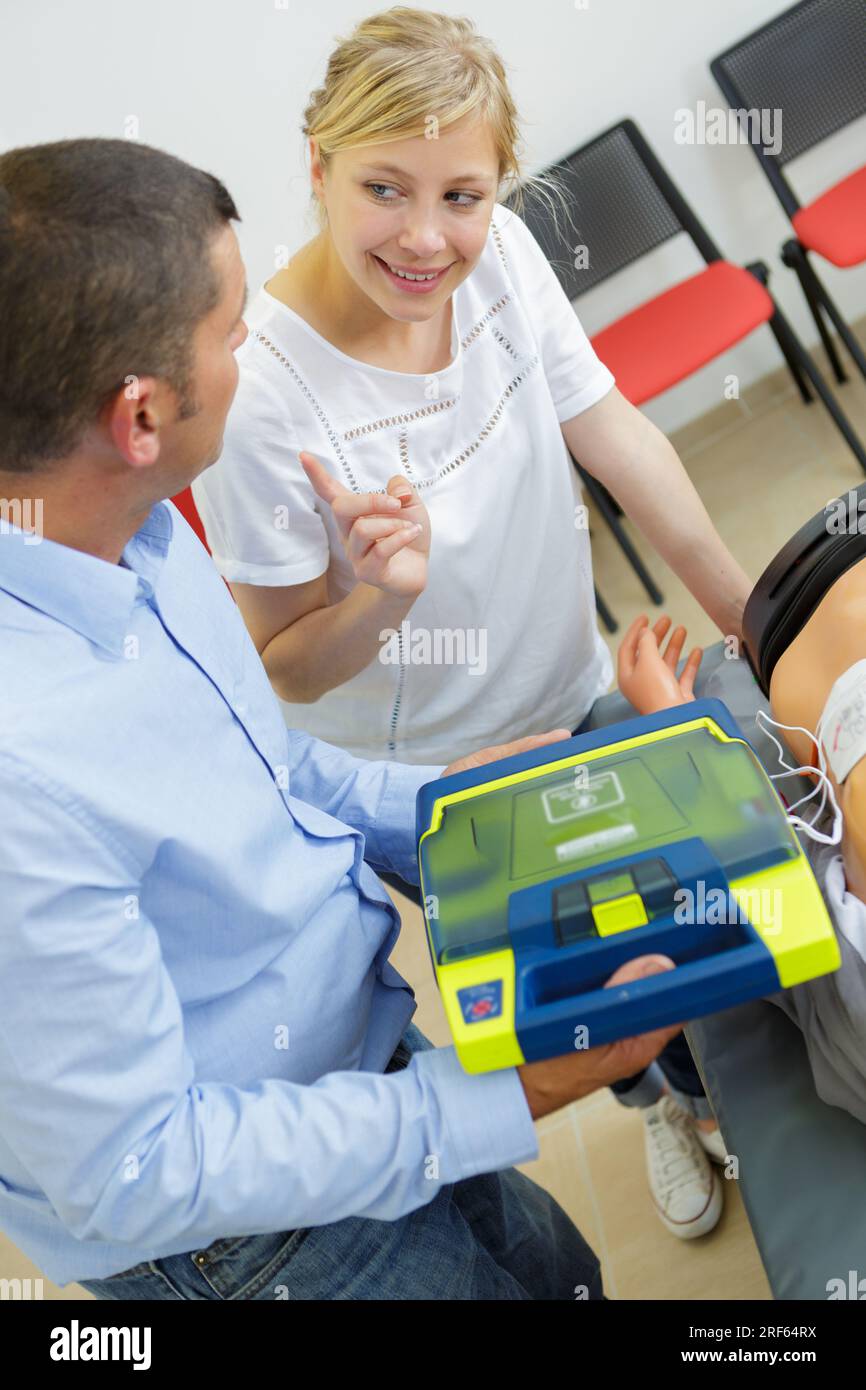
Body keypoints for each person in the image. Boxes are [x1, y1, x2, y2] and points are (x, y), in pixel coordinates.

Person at [0, 135, 686, 1301]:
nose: (251, 349)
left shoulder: (137, 542)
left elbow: (274, 781)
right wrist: (507, 1096)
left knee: (561, 1276)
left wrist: (470, 803)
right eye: (229, 335)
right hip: (255, 1236)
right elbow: (132, 1168)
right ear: (140, 415)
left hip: (369, 1076)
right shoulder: (26, 773)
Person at [192, 7, 748, 1236]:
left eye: (463, 193)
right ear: (316, 163)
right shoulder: (259, 395)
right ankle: (661, 1104)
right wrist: (378, 596)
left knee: (670, 916)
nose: (426, 237)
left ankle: (698, 1088)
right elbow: (285, 667)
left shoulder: (499, 259)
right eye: (383, 188)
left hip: (564, 681)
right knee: (572, 985)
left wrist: (746, 612)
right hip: (427, 776)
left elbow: (614, 434)